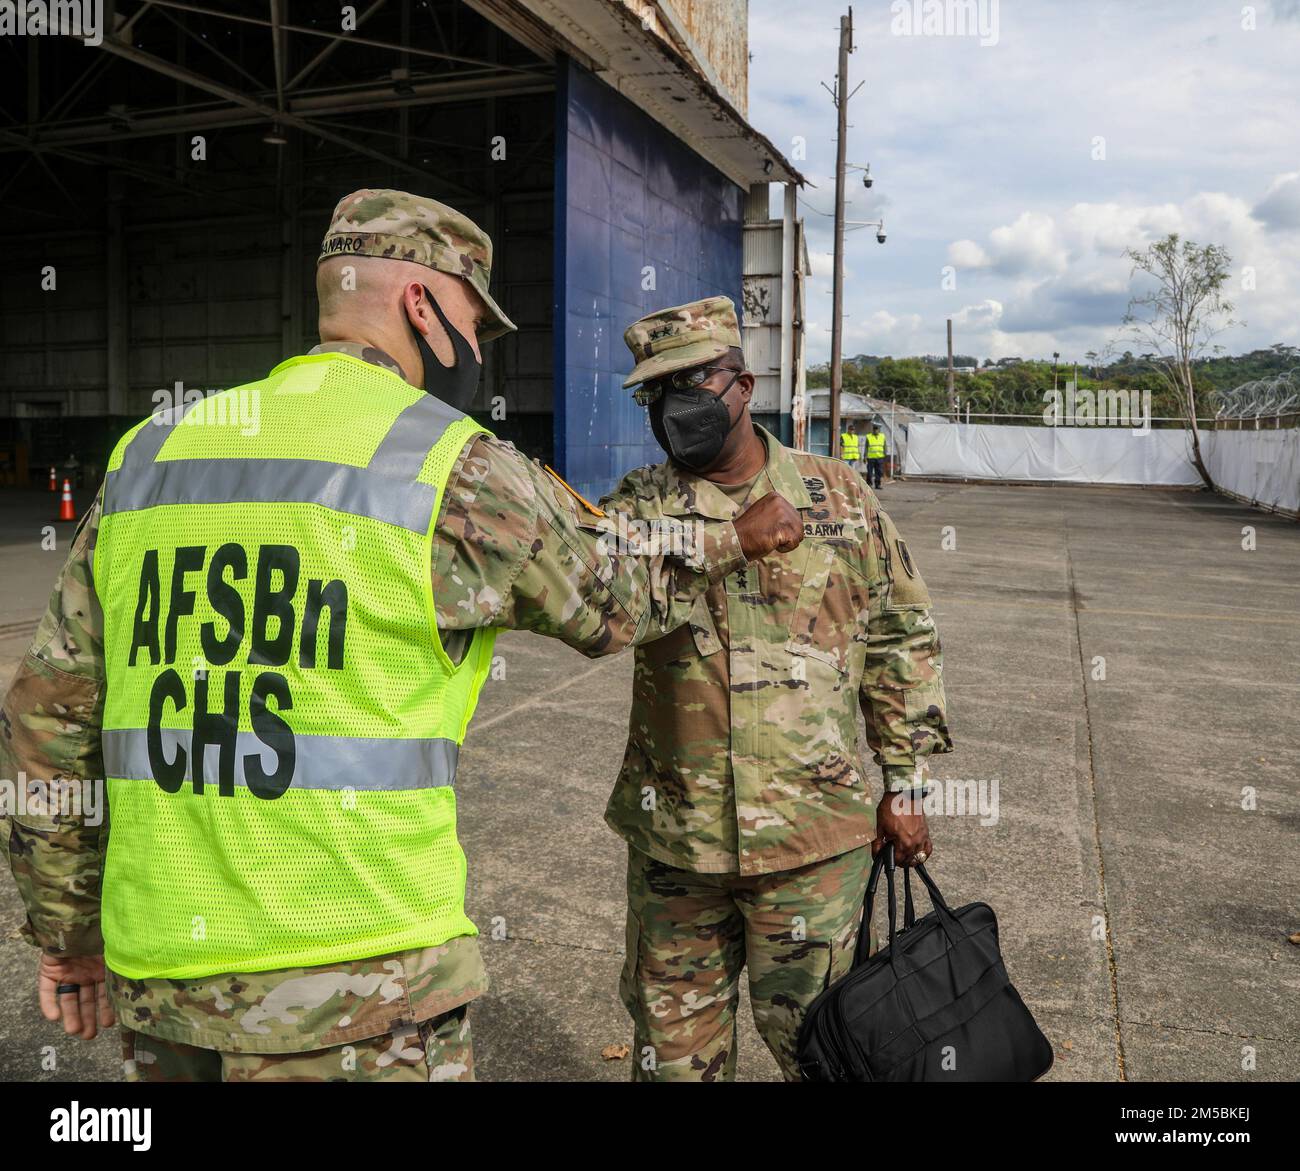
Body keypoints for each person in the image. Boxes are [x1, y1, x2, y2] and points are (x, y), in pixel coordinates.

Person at [0, 191, 804, 1083]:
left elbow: (48, 716)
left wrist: (67, 935)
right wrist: (736, 536)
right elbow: (615, 597)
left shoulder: (149, 454)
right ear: (422, 307)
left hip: (165, 984)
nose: (473, 351)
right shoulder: (447, 462)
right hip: (359, 988)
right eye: (471, 321)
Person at [602, 296, 953, 1081]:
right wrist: (729, 541)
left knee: (829, 1056)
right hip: (678, 853)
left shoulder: (841, 498)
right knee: (671, 1065)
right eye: (657, 392)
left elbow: (903, 636)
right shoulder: (640, 508)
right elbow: (604, 606)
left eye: (694, 383)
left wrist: (905, 782)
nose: (674, 407)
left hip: (813, 848)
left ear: (744, 384)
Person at [864, 421, 888, 488]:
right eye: (874, 429)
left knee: (879, 472)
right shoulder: (869, 436)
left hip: (880, 457)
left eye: (877, 429)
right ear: (873, 430)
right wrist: (865, 456)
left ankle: (878, 485)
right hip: (870, 458)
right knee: (869, 472)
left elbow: (884, 446)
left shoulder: (882, 436)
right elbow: (866, 447)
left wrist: (885, 453)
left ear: (879, 430)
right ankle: (869, 484)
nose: (875, 430)